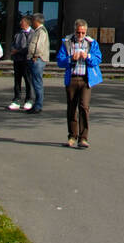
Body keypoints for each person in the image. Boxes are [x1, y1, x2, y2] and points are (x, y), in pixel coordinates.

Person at [57, 19, 103, 148]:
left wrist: (88, 56)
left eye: (83, 33)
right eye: (78, 32)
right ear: (74, 31)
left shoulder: (91, 43)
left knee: (84, 107)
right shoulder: (66, 42)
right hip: (72, 78)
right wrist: (71, 58)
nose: (80, 35)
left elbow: (97, 59)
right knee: (72, 108)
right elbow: (60, 61)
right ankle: (72, 136)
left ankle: (83, 138)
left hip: (86, 79)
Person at [8, 15, 35, 110]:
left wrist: (18, 51)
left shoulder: (33, 33)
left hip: (27, 60)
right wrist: (13, 50)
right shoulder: (18, 33)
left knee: (28, 80)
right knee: (17, 80)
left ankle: (29, 99)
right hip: (17, 60)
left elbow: (29, 47)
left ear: (27, 23)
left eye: (22, 22)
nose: (20, 24)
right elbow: (13, 44)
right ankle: (16, 99)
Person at [25, 13, 50, 112]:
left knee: (37, 82)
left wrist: (35, 56)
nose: (31, 23)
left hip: (38, 59)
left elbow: (39, 45)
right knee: (35, 82)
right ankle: (36, 104)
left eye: (33, 21)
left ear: (37, 21)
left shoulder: (41, 31)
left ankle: (38, 105)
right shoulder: (37, 31)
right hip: (35, 59)